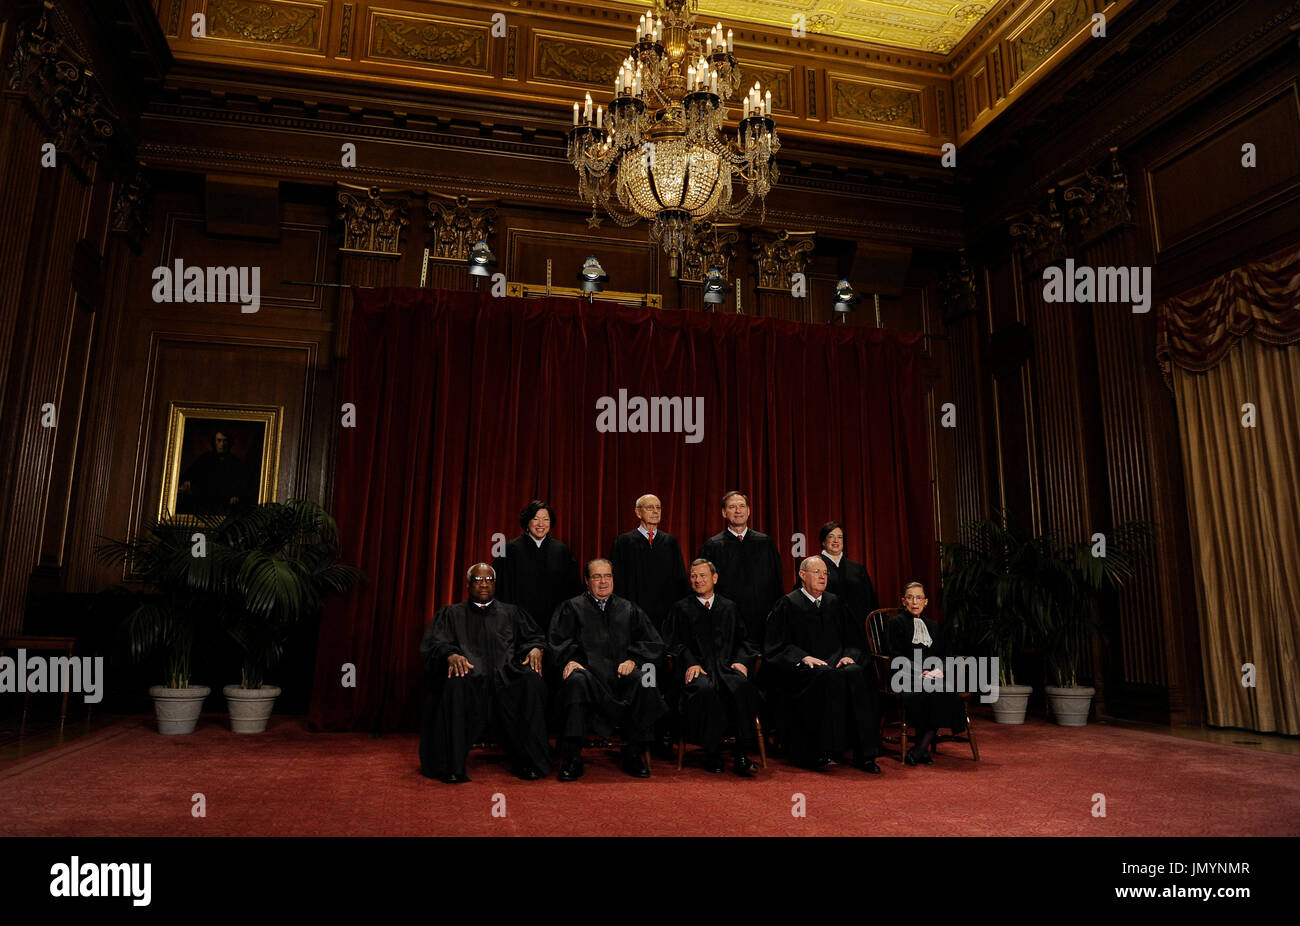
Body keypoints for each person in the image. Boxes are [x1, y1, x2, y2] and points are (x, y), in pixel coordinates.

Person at [418, 564, 551, 783]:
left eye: (489, 579)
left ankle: (528, 762)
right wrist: (451, 654)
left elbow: (534, 637)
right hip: (470, 677)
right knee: (454, 682)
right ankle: (453, 766)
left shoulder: (511, 612)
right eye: (479, 580)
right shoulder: (451, 614)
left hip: (506, 676)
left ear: (495, 583)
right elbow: (436, 643)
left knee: (531, 681)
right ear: (469, 584)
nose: (484, 583)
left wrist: (537, 648)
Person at [549, 559, 667, 780]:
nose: (603, 582)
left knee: (645, 680)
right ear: (586, 581)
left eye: (608, 576)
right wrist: (573, 660)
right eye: (596, 577)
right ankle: (573, 757)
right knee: (575, 681)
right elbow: (559, 642)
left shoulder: (628, 608)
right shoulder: (572, 607)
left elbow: (653, 643)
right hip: (588, 675)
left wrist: (633, 660)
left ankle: (633, 752)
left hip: (621, 676)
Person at [764, 556, 882, 773]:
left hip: (837, 662)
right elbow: (776, 646)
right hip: (804, 669)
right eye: (817, 572)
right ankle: (819, 752)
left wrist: (848, 655)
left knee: (855, 672)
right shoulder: (788, 604)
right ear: (802, 575)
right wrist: (802, 657)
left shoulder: (835, 603)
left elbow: (854, 640)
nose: (822, 576)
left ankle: (864, 754)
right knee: (825, 677)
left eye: (825, 573)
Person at [663, 559, 760, 776]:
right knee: (704, 690)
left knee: (742, 686)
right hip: (698, 669)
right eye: (694, 576)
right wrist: (690, 663)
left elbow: (746, 641)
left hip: (726, 667)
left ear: (714, 578)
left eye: (703, 575)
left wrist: (742, 662)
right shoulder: (681, 609)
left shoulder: (729, 607)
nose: (698, 580)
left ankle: (741, 753)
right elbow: (673, 644)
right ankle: (712, 751)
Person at [885, 582, 968, 766]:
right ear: (903, 601)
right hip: (904, 675)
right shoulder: (896, 623)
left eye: (919, 597)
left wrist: (939, 670)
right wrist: (918, 671)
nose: (915, 602)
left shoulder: (935, 626)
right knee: (927, 694)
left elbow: (946, 654)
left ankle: (920, 749)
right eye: (910, 597)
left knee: (945, 695)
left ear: (926, 601)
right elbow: (895, 653)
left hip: (931, 677)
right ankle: (922, 749)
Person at [697, 491, 784, 647]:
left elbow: (777, 582)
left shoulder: (765, 543)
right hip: (726, 620)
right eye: (732, 507)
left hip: (761, 619)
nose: (738, 511)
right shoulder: (712, 546)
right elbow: (703, 586)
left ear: (749, 511)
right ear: (724, 512)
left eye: (742, 506)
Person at [493, 499, 581, 635]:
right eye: (535, 519)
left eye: (546, 519)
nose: (541, 524)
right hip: (518, 624)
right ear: (527, 522)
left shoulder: (561, 551)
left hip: (554, 624)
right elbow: (501, 590)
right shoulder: (509, 550)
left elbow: (572, 590)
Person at [608, 493, 689, 631]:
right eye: (650, 507)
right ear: (638, 512)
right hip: (633, 612)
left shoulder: (670, 542)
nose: (655, 511)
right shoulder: (624, 542)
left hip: (664, 612)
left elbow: (679, 578)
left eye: (658, 507)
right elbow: (618, 580)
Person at [795, 522, 878, 619]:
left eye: (839, 537)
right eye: (831, 536)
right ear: (823, 542)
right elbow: (802, 598)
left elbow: (869, 601)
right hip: (824, 624)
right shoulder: (811, 565)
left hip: (856, 626)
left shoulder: (857, 569)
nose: (836, 540)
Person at [177, 427, 253, 513]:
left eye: (225, 441)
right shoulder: (204, 458)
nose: (222, 444)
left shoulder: (236, 462)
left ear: (229, 443)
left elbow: (243, 485)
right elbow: (189, 475)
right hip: (204, 502)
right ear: (214, 442)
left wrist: (236, 496)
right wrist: (187, 482)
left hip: (226, 505)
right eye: (219, 440)